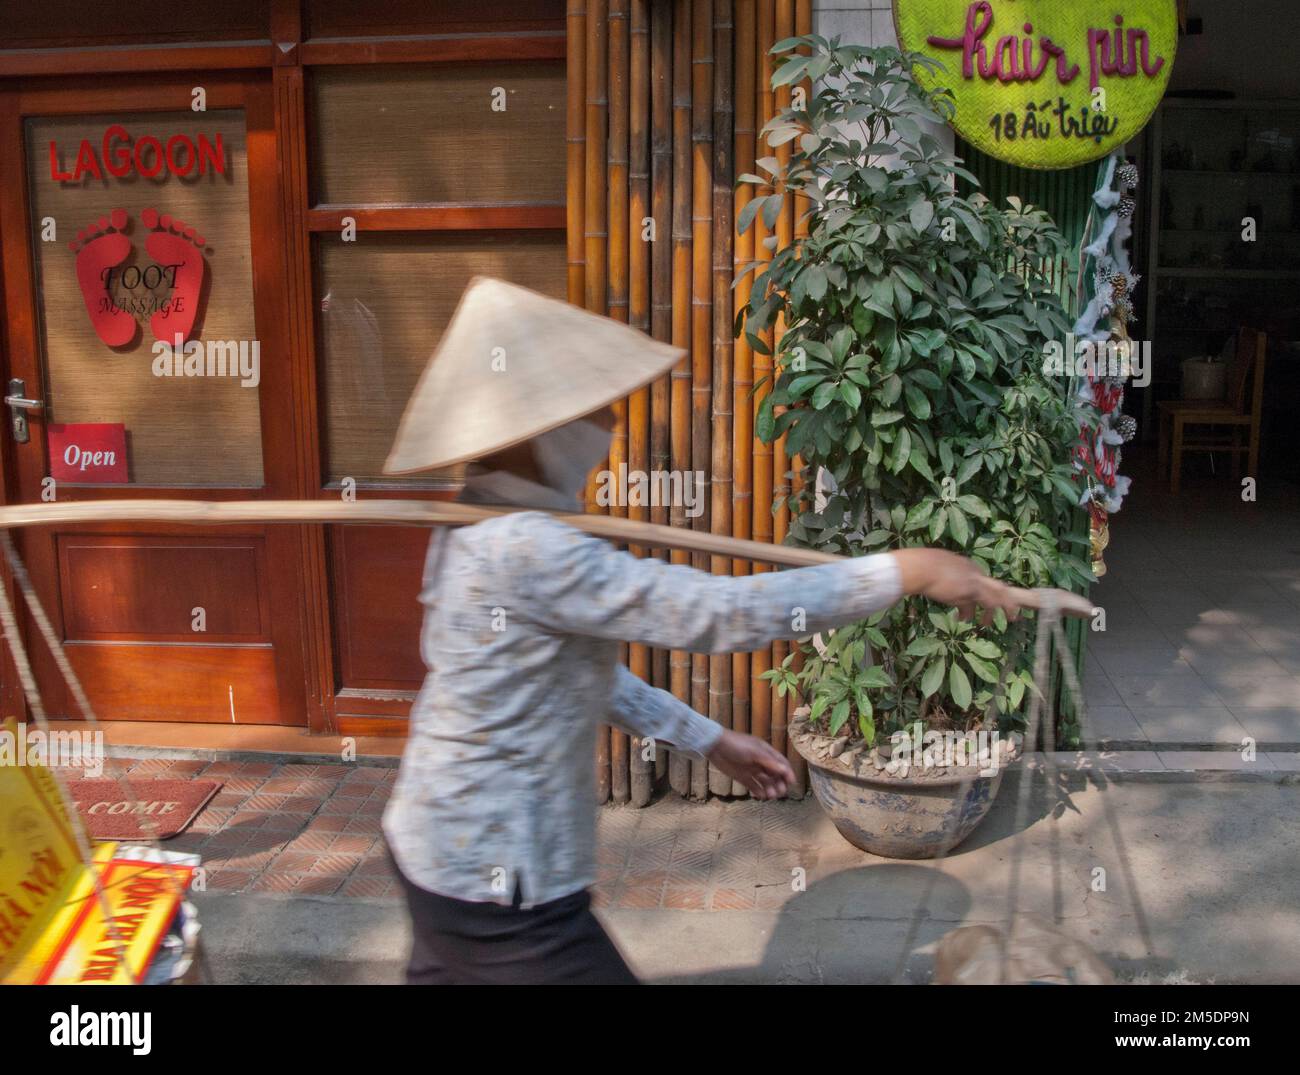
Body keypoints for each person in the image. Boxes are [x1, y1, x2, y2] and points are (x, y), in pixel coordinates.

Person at [380, 278, 1030, 985]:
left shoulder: (481, 516)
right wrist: (906, 571)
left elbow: (572, 674)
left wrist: (708, 738)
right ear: (542, 427)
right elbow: (717, 612)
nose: (608, 424)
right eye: (593, 408)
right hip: (496, 877)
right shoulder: (527, 545)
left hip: (436, 845)